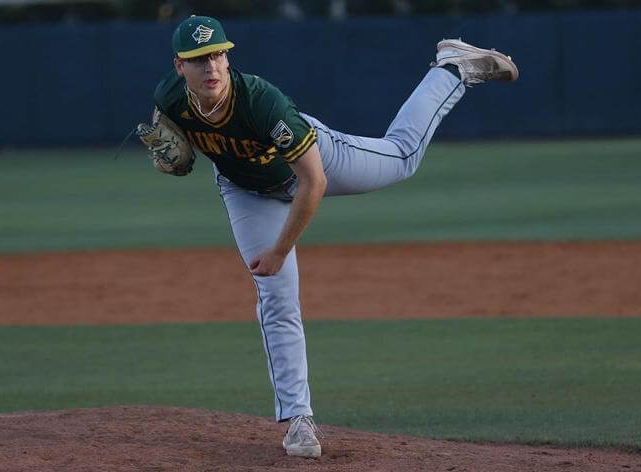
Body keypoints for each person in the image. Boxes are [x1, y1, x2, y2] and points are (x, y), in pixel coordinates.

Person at [152, 15, 518, 458]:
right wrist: (169, 152)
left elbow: (313, 183)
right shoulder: (170, 99)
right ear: (179, 66)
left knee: (402, 156)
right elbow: (165, 124)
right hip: (245, 189)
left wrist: (279, 250)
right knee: (276, 297)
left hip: (310, 162)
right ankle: (298, 422)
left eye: (216, 55)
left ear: (228, 57)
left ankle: (453, 68)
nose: (210, 67)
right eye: (197, 59)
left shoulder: (261, 103)